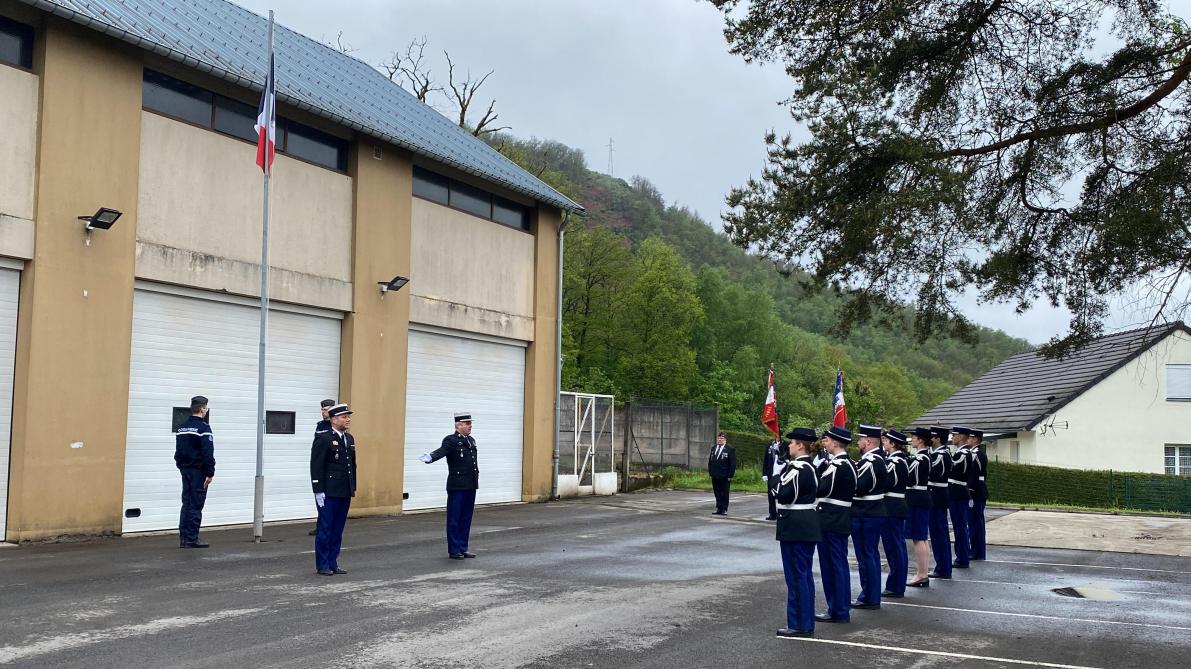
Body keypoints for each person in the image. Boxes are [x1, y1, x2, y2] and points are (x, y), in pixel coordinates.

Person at [773, 428, 821, 639]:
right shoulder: (808, 467)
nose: (789, 446)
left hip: (795, 526)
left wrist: (775, 476)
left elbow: (783, 495)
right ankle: (805, 622)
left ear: (801, 445)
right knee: (802, 576)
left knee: (796, 577)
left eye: (792, 442)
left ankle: (800, 624)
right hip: (802, 525)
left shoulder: (799, 469)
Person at [421, 412, 480, 559]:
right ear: (458, 425)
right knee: (455, 518)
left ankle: (463, 547)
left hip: (470, 485)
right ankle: (454, 549)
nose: (470, 426)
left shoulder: (471, 440)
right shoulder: (451, 440)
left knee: (466, 518)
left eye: (470, 423)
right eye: (467, 424)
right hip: (457, 486)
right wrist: (431, 457)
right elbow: (443, 451)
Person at [815, 425, 856, 624]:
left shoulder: (838, 466)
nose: (826, 443)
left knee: (833, 566)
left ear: (836, 442)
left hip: (832, 519)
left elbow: (821, 490)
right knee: (836, 564)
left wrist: (815, 473)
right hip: (837, 517)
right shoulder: (848, 463)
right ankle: (839, 607)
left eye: (828, 440)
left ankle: (838, 609)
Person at [311, 403, 356, 576]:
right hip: (328, 492)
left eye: (348, 416)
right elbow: (316, 465)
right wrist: (318, 489)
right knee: (326, 529)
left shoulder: (349, 439)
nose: (348, 419)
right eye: (345, 416)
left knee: (338, 530)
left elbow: (352, 466)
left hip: (344, 491)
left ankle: (333, 562)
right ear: (334, 419)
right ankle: (322, 564)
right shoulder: (323, 438)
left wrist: (353, 487)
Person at [851, 424, 889, 610]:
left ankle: (870, 596)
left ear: (868, 441)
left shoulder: (871, 461)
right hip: (871, 510)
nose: (858, 442)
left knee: (867, 555)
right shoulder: (876, 460)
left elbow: (860, 486)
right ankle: (869, 595)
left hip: (867, 512)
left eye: (860, 439)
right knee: (869, 555)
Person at [174, 395, 214, 549]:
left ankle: (184, 537)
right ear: (202, 409)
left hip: (185, 470)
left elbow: (179, 451)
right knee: (196, 504)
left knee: (186, 503)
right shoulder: (203, 428)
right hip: (198, 472)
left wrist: (181, 466)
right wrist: (210, 472)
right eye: (206, 408)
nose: (206, 410)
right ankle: (192, 538)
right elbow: (208, 452)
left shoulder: (182, 427)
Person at [880, 428, 910, 598]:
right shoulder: (898, 460)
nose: (884, 443)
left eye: (886, 441)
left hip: (892, 506)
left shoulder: (895, 462)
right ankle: (897, 583)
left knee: (894, 547)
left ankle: (896, 585)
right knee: (896, 546)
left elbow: (886, 483)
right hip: (895, 505)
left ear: (893, 444)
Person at [905, 427, 935, 587]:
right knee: (922, 538)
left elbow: (910, 479)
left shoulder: (920, 459)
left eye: (914, 437)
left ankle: (922, 573)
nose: (912, 440)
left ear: (921, 440)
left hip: (917, 498)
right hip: (920, 497)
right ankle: (922, 572)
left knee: (919, 537)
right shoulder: (923, 457)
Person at [927, 426, 953, 579]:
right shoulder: (938, 454)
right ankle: (941, 565)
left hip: (938, 495)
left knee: (939, 532)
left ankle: (944, 567)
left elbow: (934, 473)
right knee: (936, 532)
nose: (929, 439)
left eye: (932, 436)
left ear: (937, 438)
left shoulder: (941, 455)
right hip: (936, 495)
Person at [309, 399, 335, 536]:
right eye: (322, 410)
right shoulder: (320, 425)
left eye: (326, 410)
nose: (324, 412)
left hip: (329, 468)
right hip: (320, 465)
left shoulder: (333, 425)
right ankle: (320, 525)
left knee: (327, 501)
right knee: (320, 500)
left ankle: (325, 526)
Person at [949, 426, 973, 570]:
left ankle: (962, 557)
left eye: (954, 435)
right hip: (956, 491)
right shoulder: (960, 452)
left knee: (960, 527)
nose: (952, 438)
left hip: (958, 492)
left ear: (960, 437)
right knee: (959, 526)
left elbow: (951, 469)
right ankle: (961, 556)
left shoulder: (963, 453)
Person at [968, 428, 989, 561]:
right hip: (977, 490)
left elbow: (975, 475)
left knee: (976, 523)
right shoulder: (974, 453)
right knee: (974, 523)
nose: (968, 439)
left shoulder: (977, 454)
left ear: (975, 439)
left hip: (976, 492)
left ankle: (977, 551)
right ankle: (975, 550)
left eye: (970, 437)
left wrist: (969, 489)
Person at [707, 431, 737, 516]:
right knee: (717, 492)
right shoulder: (714, 448)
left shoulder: (730, 449)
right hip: (715, 475)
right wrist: (710, 472)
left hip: (725, 475)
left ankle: (724, 508)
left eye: (722, 438)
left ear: (725, 440)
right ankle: (719, 508)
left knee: (724, 492)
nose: (720, 440)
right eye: (719, 438)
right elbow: (710, 461)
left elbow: (733, 464)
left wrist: (730, 475)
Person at [763, 437, 784, 521]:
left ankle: (781, 512)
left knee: (781, 493)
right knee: (770, 494)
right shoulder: (770, 445)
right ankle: (772, 513)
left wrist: (779, 449)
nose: (776, 437)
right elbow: (766, 460)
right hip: (770, 473)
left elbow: (787, 456)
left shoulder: (785, 444)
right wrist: (764, 473)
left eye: (778, 435)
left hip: (781, 473)